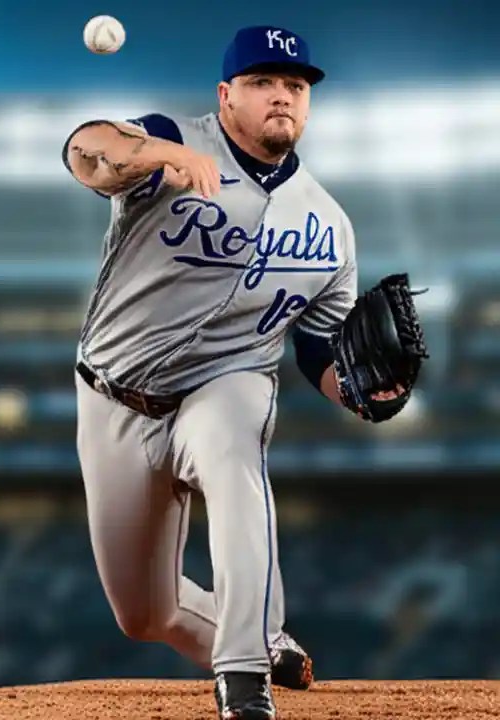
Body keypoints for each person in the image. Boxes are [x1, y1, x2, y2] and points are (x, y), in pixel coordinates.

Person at [62, 25, 412, 720]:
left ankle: (244, 675)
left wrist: (364, 394)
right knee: (144, 613)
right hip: (113, 396)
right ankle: (265, 637)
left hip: (230, 379)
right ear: (226, 97)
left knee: (233, 454)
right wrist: (155, 153)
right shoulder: (167, 140)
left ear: (307, 104)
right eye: (261, 82)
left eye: (294, 85)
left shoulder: (330, 226)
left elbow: (317, 348)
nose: (281, 95)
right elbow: (84, 150)